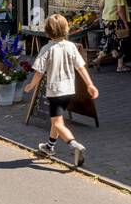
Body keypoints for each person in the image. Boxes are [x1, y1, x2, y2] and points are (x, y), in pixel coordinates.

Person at [24, 13, 96, 167]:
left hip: (55, 91)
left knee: (57, 123)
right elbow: (81, 67)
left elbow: (39, 72)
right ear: (66, 29)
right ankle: (49, 146)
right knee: (56, 120)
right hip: (69, 90)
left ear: (48, 31)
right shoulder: (71, 46)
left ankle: (74, 144)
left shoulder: (47, 49)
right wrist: (90, 84)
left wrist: (31, 85)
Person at [98, 0, 131, 72]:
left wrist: (102, 17)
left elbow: (100, 6)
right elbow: (120, 10)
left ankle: (98, 59)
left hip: (106, 21)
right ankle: (120, 66)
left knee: (108, 41)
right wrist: (125, 23)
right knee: (121, 41)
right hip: (115, 21)